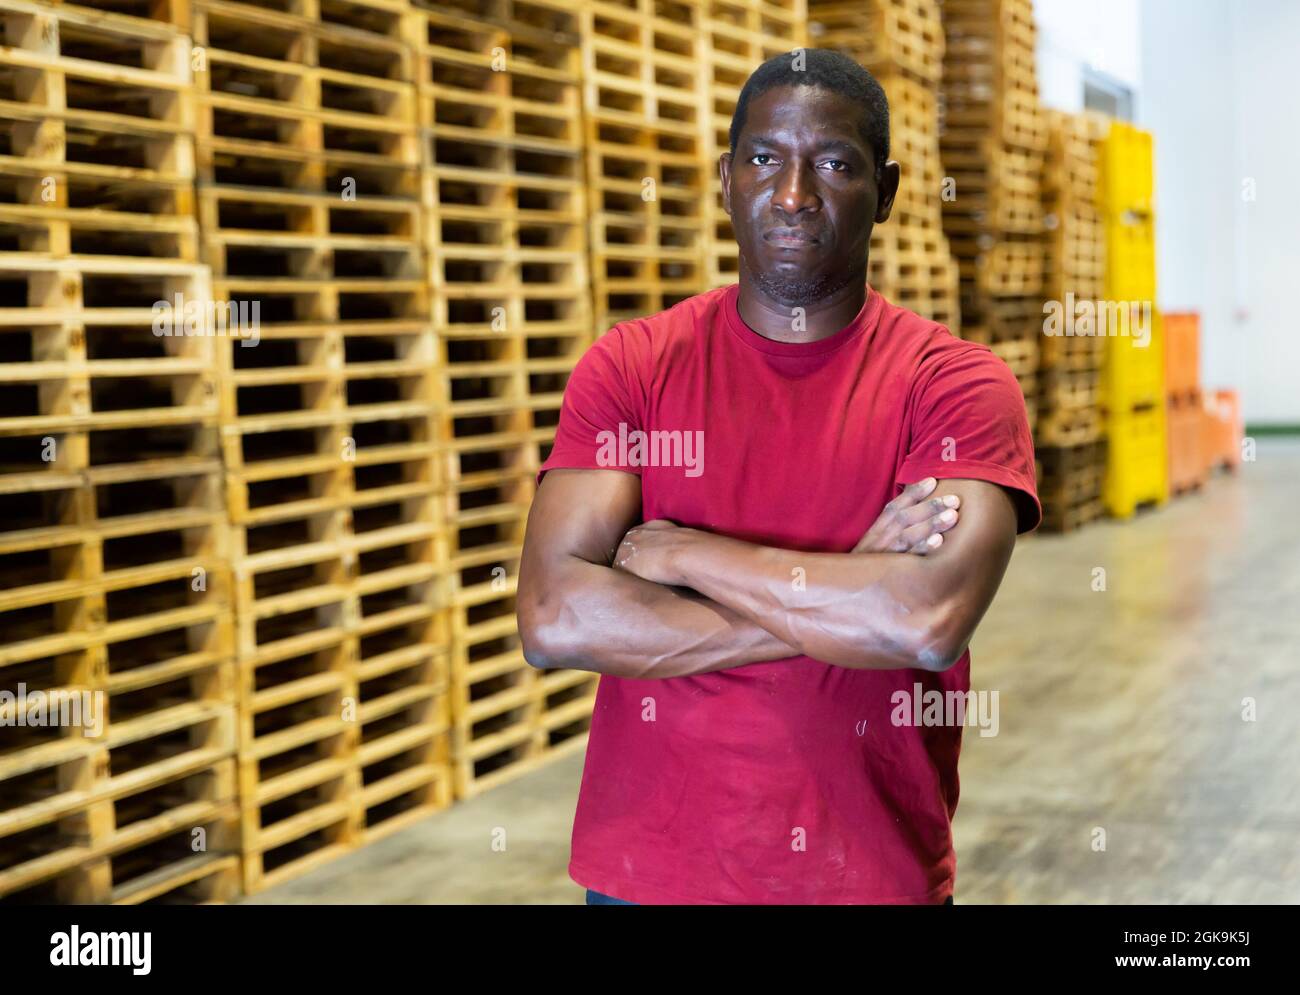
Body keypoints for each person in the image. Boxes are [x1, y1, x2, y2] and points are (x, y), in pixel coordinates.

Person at [516, 49, 1040, 905]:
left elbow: (923, 619)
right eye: (765, 159)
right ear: (726, 179)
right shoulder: (632, 368)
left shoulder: (954, 385)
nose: (794, 193)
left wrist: (683, 554)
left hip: (867, 879)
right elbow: (552, 617)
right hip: (646, 880)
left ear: (890, 190)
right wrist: (847, 586)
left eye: (833, 163)